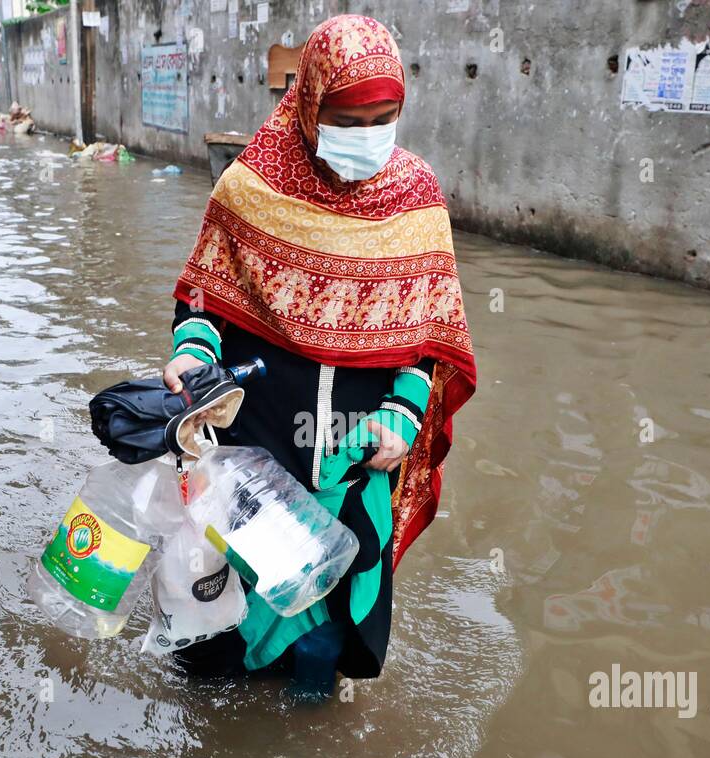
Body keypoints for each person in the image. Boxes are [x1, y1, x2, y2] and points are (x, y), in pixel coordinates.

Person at [162, 14, 477, 696]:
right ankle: (227, 746)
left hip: (360, 450)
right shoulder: (251, 188)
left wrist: (404, 411)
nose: (366, 137)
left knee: (331, 624)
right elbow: (206, 302)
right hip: (258, 442)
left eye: (383, 118)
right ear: (308, 104)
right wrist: (191, 355)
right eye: (345, 118)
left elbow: (429, 336)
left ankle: (312, 721)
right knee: (227, 621)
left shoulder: (416, 197)